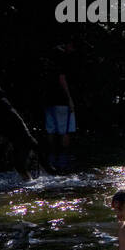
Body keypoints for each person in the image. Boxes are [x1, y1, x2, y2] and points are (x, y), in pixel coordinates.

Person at [43, 40, 77, 171]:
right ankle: (63, 160)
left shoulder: (48, 63)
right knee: (65, 131)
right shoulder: (62, 62)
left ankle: (51, 158)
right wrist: (69, 99)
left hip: (48, 101)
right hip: (61, 102)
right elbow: (62, 79)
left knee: (50, 130)